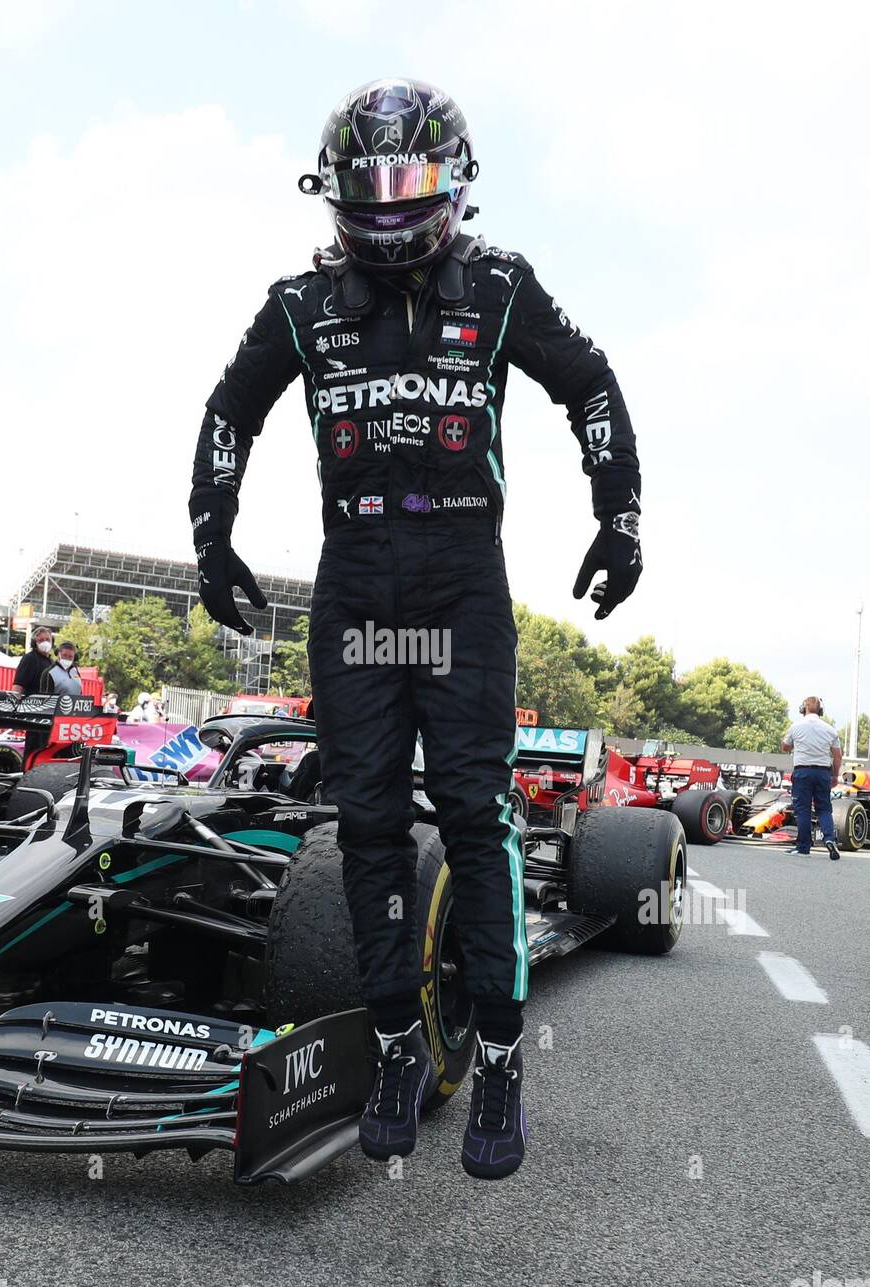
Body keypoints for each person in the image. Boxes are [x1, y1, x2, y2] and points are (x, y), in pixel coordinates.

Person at [187, 79, 643, 1179]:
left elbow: (589, 384)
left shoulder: (499, 285)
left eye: (411, 182)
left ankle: (500, 1058)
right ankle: (397, 1042)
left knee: (478, 819)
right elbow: (230, 409)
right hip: (355, 589)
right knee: (371, 824)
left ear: (453, 183)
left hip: (460, 587)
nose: (391, 204)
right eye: (371, 184)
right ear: (336, 189)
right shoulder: (300, 303)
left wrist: (619, 514)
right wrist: (211, 531)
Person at [782, 697, 842, 859]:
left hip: (802, 772)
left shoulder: (796, 727)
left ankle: (803, 848)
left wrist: (796, 743)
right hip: (823, 773)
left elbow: (785, 747)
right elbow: (837, 756)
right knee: (824, 809)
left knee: (803, 810)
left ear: (804, 709)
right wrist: (835, 775)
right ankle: (829, 839)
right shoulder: (830, 730)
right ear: (820, 710)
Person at [11, 626, 54, 698]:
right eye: (41, 640)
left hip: (47, 703)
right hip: (31, 702)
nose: (45, 642)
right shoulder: (30, 658)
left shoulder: (51, 661)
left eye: (47, 639)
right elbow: (18, 687)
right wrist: (14, 702)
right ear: (34, 643)